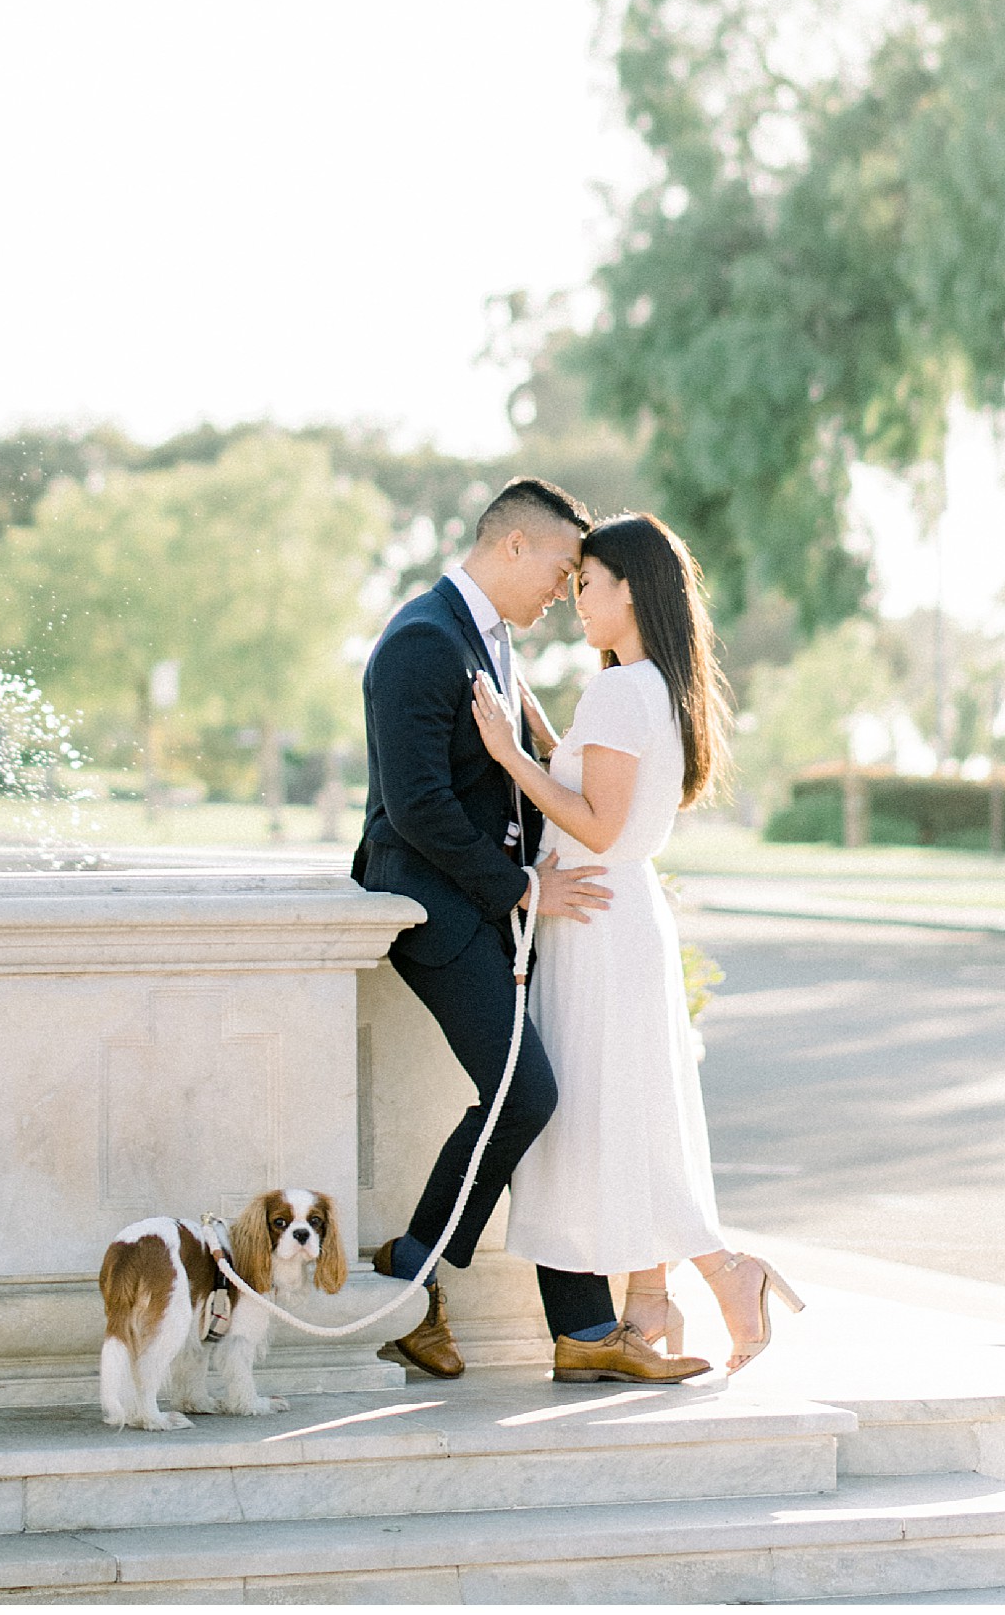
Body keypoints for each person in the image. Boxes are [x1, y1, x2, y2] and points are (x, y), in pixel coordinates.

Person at [352, 479, 704, 1384]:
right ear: (513, 546)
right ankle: (408, 1274)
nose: (563, 589)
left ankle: (582, 1334)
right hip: (438, 907)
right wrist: (520, 887)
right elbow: (415, 805)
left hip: (493, 908)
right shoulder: (422, 640)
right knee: (530, 1094)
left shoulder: (492, 642)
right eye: (559, 569)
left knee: (555, 1098)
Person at [480, 511, 804, 1377]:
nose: (574, 599)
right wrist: (553, 744)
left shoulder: (621, 691)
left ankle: (724, 1273)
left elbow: (598, 818)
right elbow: (606, 793)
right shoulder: (656, 686)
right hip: (616, 916)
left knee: (607, 1119)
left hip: (595, 924)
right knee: (631, 1115)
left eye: (587, 584)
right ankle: (653, 1302)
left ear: (631, 589)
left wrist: (512, 757)